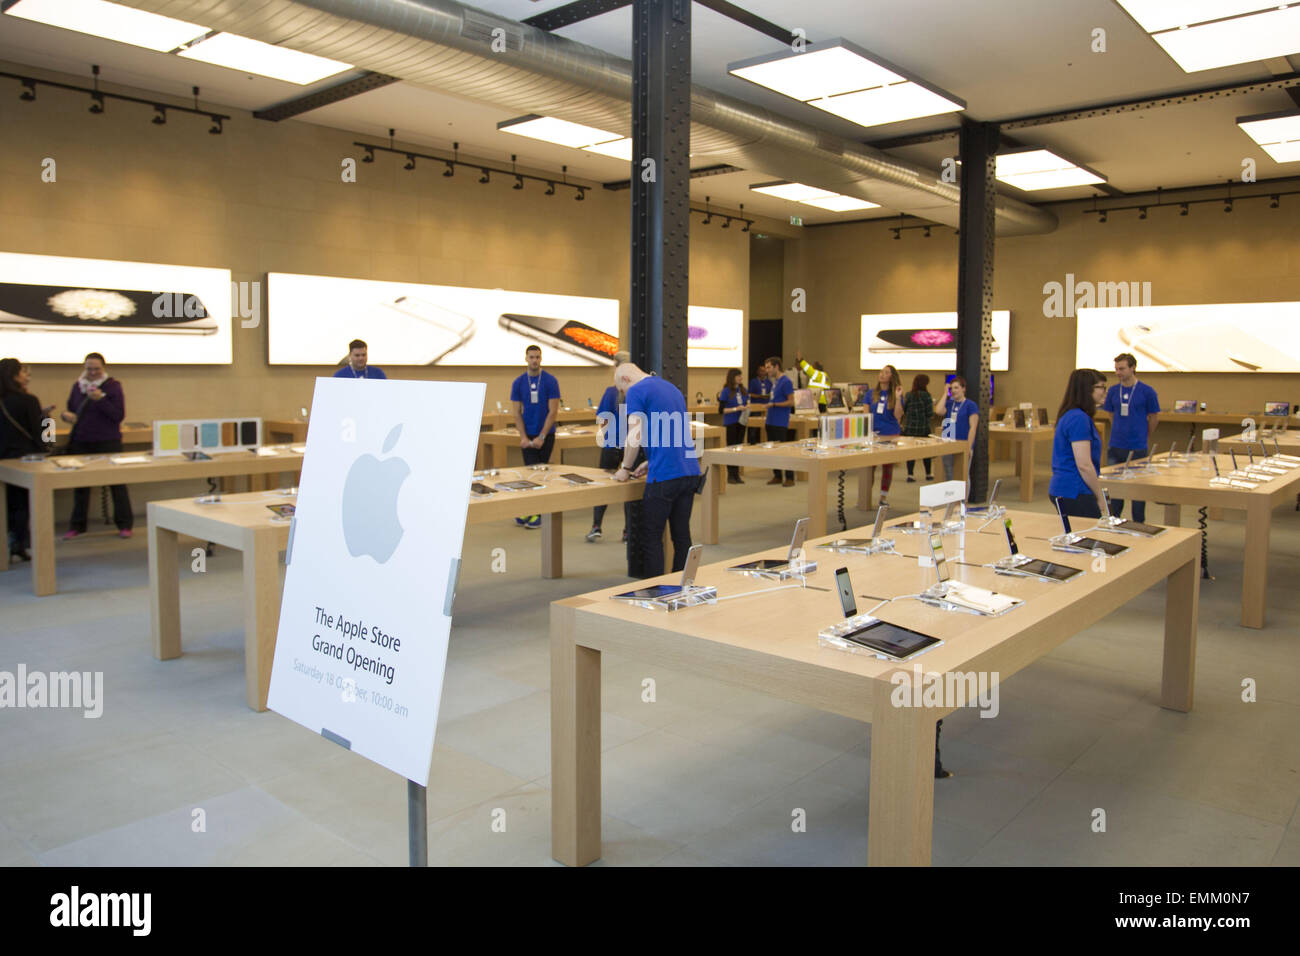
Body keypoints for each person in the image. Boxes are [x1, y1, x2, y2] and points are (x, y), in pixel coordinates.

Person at [611, 362, 701, 578]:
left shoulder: (636, 391)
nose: (624, 395)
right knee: (681, 536)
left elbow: (635, 434)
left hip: (664, 476)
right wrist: (649, 461)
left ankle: (656, 590)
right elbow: (676, 431)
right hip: (689, 471)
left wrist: (625, 468)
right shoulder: (671, 388)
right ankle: (682, 586)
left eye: (621, 391)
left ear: (625, 380)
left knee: (651, 537)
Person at [61, 352, 133, 539]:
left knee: (117, 484)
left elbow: (118, 415)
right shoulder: (77, 387)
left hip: (108, 441)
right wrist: (66, 416)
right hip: (82, 441)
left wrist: (101, 399)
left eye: (96, 369)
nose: (92, 372)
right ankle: (77, 526)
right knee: (81, 487)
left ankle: (125, 525)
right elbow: (72, 409)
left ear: (103, 369)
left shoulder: (113, 387)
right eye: (88, 369)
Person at [1, 358, 54, 560]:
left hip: (2, 458)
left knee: (6, 504)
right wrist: (47, 419)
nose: (27, 376)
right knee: (22, 504)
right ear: (15, 376)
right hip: (25, 459)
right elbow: (41, 434)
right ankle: (19, 543)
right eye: (24, 372)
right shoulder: (27, 400)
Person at [1102, 352, 1159, 522]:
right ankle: (1114, 519)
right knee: (1115, 487)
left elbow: (1154, 417)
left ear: (1133, 368)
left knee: (1138, 489)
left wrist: (1145, 434)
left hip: (1138, 447)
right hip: (1116, 446)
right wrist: (1119, 430)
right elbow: (1111, 414)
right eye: (1116, 369)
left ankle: (1138, 522)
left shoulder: (1147, 391)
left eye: (1122, 369)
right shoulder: (1113, 391)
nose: (1118, 373)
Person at [509, 345, 561, 530]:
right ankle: (529, 510)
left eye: (537, 357)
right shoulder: (518, 382)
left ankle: (538, 514)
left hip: (545, 435)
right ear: (525, 358)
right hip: (527, 435)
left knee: (540, 474)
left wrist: (541, 436)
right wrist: (523, 437)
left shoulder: (550, 381)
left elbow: (553, 411)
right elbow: (516, 413)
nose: (534, 360)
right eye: (531, 357)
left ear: (541, 359)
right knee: (528, 473)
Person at [1049, 369, 1110, 520]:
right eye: (1101, 387)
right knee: (1088, 539)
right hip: (1075, 490)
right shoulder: (1078, 418)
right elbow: (1084, 464)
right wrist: (1100, 497)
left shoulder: (1073, 415)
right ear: (1087, 389)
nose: (1104, 392)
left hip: (1066, 488)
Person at [588, 350, 635, 542]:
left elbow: (603, 420)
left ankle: (596, 525)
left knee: (603, 487)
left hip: (611, 446)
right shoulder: (635, 393)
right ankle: (627, 530)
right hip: (630, 447)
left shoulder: (610, 392)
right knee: (629, 489)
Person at [863, 365, 905, 506]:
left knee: (887, 466)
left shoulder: (895, 395)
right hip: (873, 434)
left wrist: (898, 399)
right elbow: (866, 414)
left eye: (886, 373)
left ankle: (883, 497)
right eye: (881, 372)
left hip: (890, 434)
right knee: (870, 467)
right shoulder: (870, 393)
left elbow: (898, 415)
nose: (881, 374)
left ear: (891, 377)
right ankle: (866, 496)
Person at [935, 375, 979, 483]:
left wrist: (968, 446)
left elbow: (973, 427)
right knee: (949, 473)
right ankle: (951, 498)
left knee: (963, 474)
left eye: (956, 388)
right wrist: (945, 394)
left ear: (963, 389)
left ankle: (963, 499)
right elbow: (938, 411)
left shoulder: (970, 405)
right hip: (948, 442)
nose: (954, 391)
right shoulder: (950, 404)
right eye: (952, 388)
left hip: (962, 443)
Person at [763, 357, 796, 486]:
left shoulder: (786, 381)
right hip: (770, 420)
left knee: (784, 449)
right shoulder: (775, 382)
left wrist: (774, 404)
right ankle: (777, 475)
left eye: (769, 367)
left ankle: (789, 477)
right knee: (773, 449)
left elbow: (791, 401)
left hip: (780, 421)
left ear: (776, 367)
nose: (767, 370)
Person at [902, 374, 935, 481]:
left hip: (910, 428)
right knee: (926, 451)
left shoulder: (908, 395)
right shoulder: (927, 396)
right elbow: (930, 413)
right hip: (923, 428)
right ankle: (928, 474)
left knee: (911, 452)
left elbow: (904, 410)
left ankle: (910, 475)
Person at [718, 368, 748, 484]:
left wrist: (747, 407)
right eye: (738, 376)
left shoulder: (743, 390)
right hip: (731, 422)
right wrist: (736, 409)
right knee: (731, 448)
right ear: (732, 377)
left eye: (741, 376)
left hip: (742, 422)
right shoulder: (726, 391)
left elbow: (747, 402)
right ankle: (731, 474)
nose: (740, 378)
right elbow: (721, 410)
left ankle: (737, 474)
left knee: (739, 448)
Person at [746, 363, 771, 444]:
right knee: (753, 427)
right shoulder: (753, 382)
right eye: (761, 371)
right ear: (757, 372)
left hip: (766, 407)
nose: (762, 372)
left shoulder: (768, 382)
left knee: (765, 427)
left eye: (764, 371)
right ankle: (751, 443)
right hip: (756, 407)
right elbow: (749, 393)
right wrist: (759, 396)